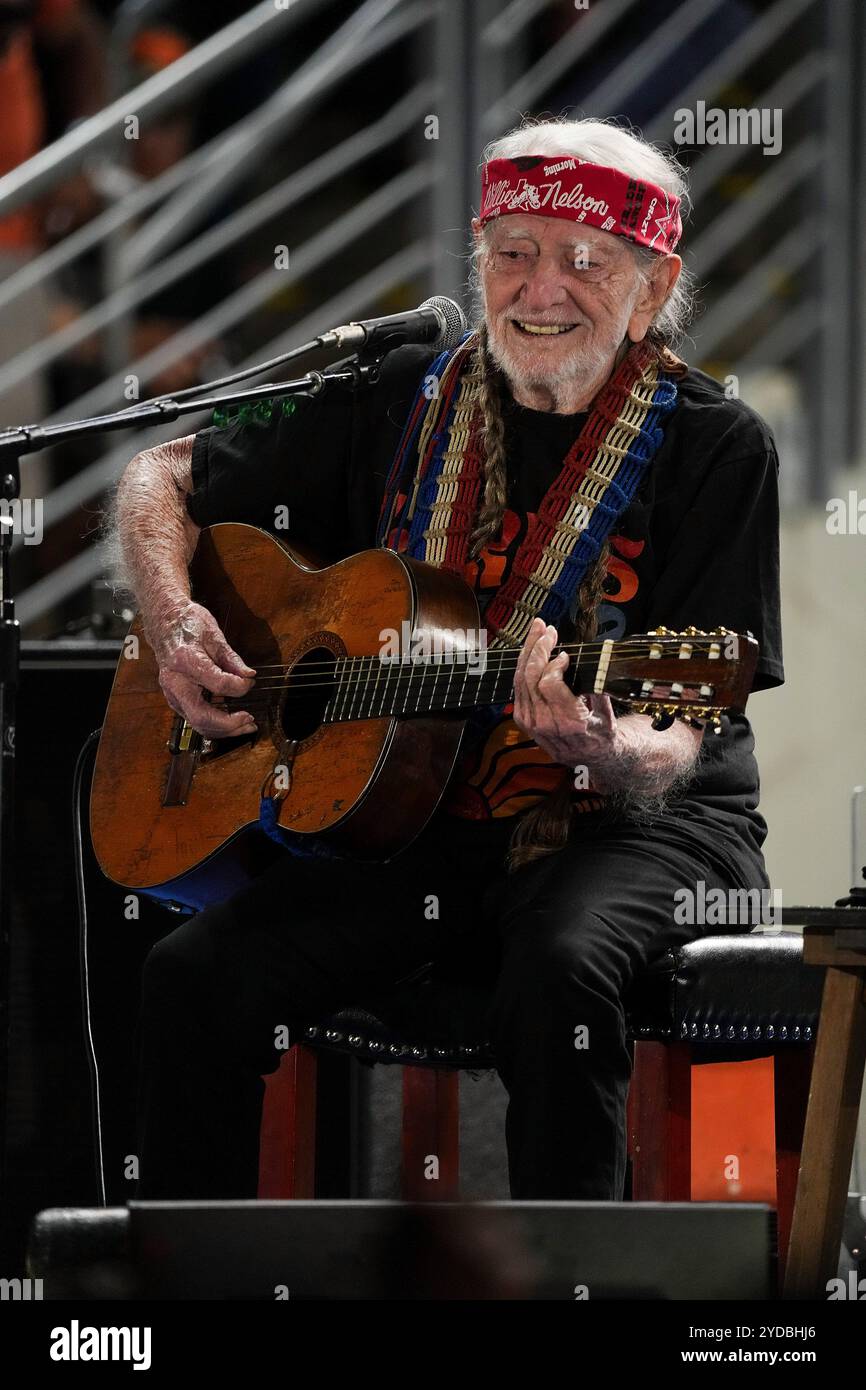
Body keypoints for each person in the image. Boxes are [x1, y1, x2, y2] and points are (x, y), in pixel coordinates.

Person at [114, 118, 783, 1201]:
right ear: (476, 264)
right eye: (512, 250)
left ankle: (568, 1293)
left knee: (560, 972)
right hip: (415, 820)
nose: (541, 286)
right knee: (194, 974)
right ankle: (189, 1293)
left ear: (652, 290)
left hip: (639, 824)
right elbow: (162, 472)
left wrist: (607, 746)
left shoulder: (716, 444)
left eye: (584, 260)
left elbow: (680, 731)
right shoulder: (398, 391)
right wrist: (176, 616)